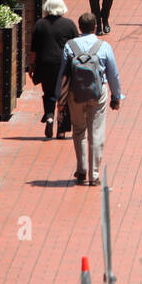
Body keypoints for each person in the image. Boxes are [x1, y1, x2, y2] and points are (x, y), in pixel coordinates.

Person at [54, 12, 125, 185]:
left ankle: (82, 169)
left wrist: (59, 99)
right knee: (96, 132)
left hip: (75, 94)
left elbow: (63, 73)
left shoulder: (70, 46)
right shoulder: (104, 46)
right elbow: (113, 74)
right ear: (95, 27)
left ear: (79, 27)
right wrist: (116, 96)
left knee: (79, 130)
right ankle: (94, 175)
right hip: (98, 93)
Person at [28, 0, 79, 138]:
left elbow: (34, 49)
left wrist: (31, 66)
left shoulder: (40, 24)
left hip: (45, 64)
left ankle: (49, 116)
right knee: (64, 95)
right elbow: (76, 46)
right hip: (64, 65)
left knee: (49, 92)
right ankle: (61, 129)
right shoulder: (69, 24)